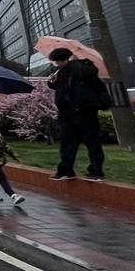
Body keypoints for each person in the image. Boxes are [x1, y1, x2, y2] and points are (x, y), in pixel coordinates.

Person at [48, 47, 109, 181]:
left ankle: (96, 171)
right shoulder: (62, 72)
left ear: (66, 59)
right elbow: (63, 90)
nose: (56, 64)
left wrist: (76, 64)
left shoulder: (83, 69)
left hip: (85, 112)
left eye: (58, 61)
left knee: (92, 143)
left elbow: (88, 83)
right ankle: (66, 170)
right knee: (67, 143)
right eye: (55, 62)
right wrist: (52, 83)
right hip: (67, 114)